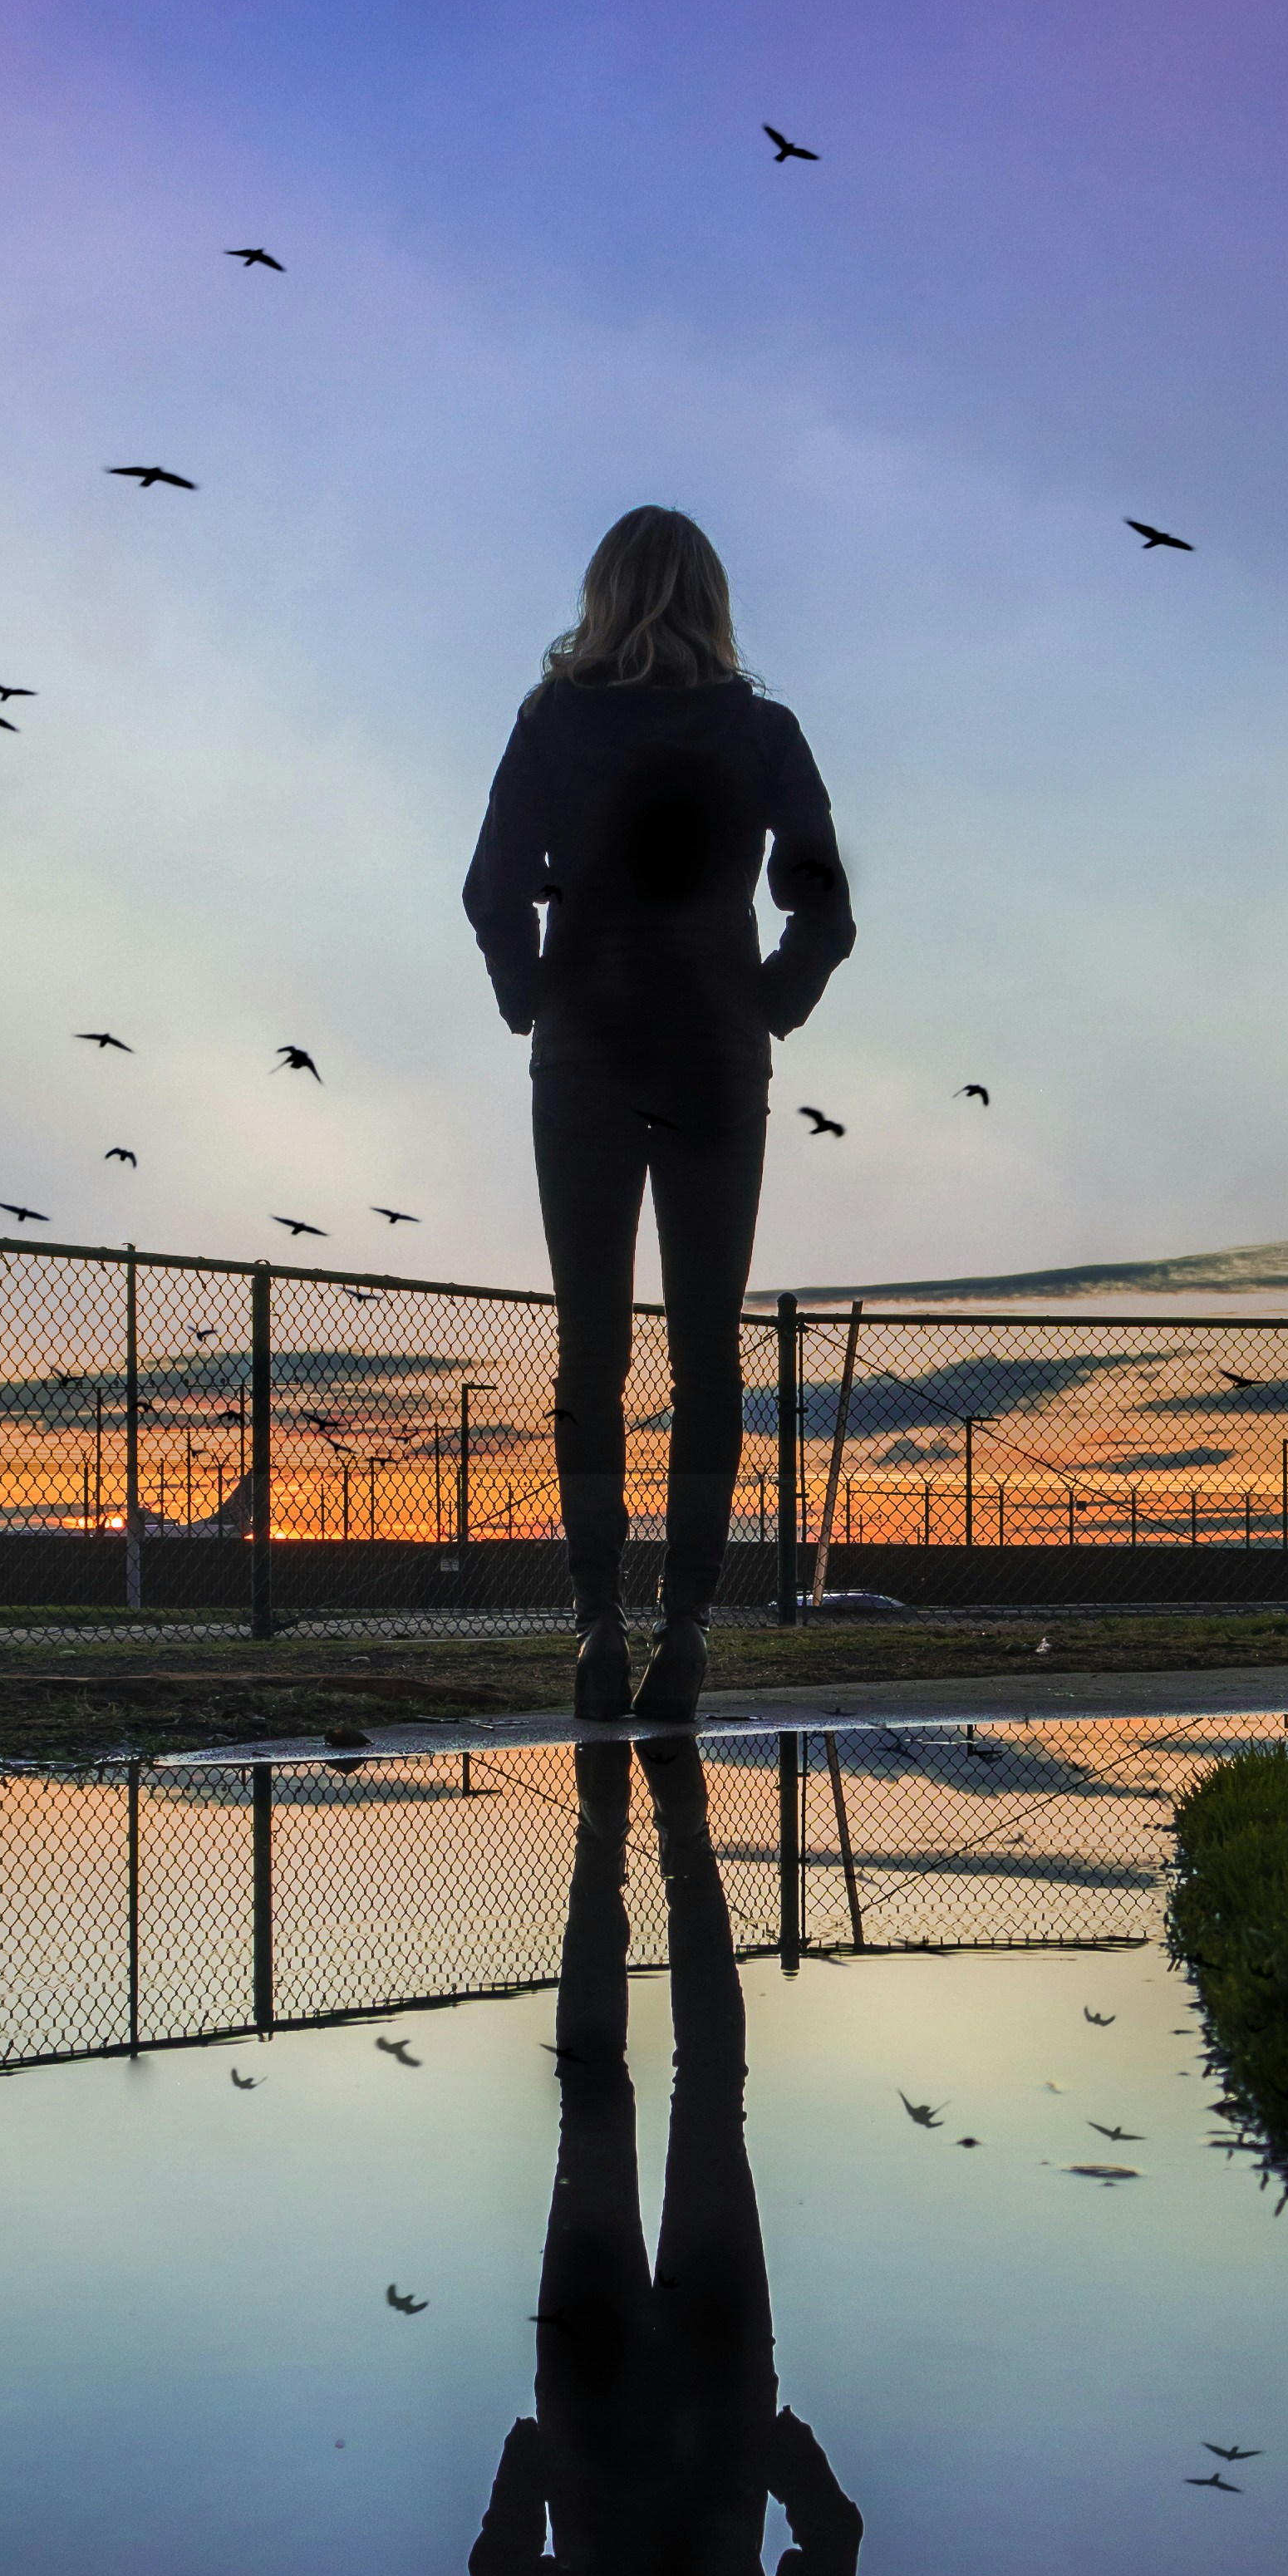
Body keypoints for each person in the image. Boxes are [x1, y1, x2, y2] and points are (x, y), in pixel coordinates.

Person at [468, 1733, 863, 2576]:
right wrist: (536, 2461)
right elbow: (496, 2572)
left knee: (712, 2094)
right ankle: (598, 1840)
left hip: (716, 2397)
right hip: (589, 2411)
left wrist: (779, 2453)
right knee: (596, 2098)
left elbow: (835, 2543)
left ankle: (685, 1837)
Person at [463, 508, 854, 1724]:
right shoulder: (764, 731)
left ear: (602, 594)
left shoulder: (554, 723)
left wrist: (532, 997)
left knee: (591, 1348)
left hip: (586, 1054)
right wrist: (766, 1006)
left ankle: (596, 1623)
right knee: (704, 1356)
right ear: (714, 600)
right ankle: (686, 1628)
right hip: (714, 1061)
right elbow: (827, 911)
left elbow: (490, 891)